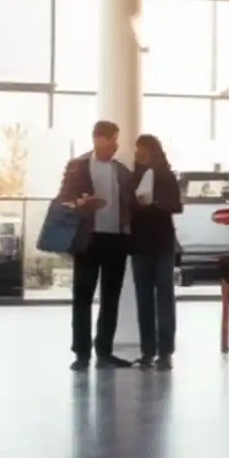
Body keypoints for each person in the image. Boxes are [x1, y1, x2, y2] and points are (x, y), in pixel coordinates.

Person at [57, 120, 135, 371]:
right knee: (83, 297)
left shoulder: (121, 170)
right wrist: (80, 204)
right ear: (98, 139)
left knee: (111, 298)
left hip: (116, 239)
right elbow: (63, 199)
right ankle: (81, 354)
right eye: (113, 139)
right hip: (88, 239)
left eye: (116, 140)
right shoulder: (77, 166)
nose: (116, 145)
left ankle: (105, 352)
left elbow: (131, 203)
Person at [131, 134, 183, 371]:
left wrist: (156, 203)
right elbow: (127, 204)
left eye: (142, 149)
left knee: (163, 297)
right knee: (143, 298)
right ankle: (147, 350)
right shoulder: (134, 175)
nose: (138, 153)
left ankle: (165, 351)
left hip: (161, 242)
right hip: (140, 243)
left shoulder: (166, 176)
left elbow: (177, 205)